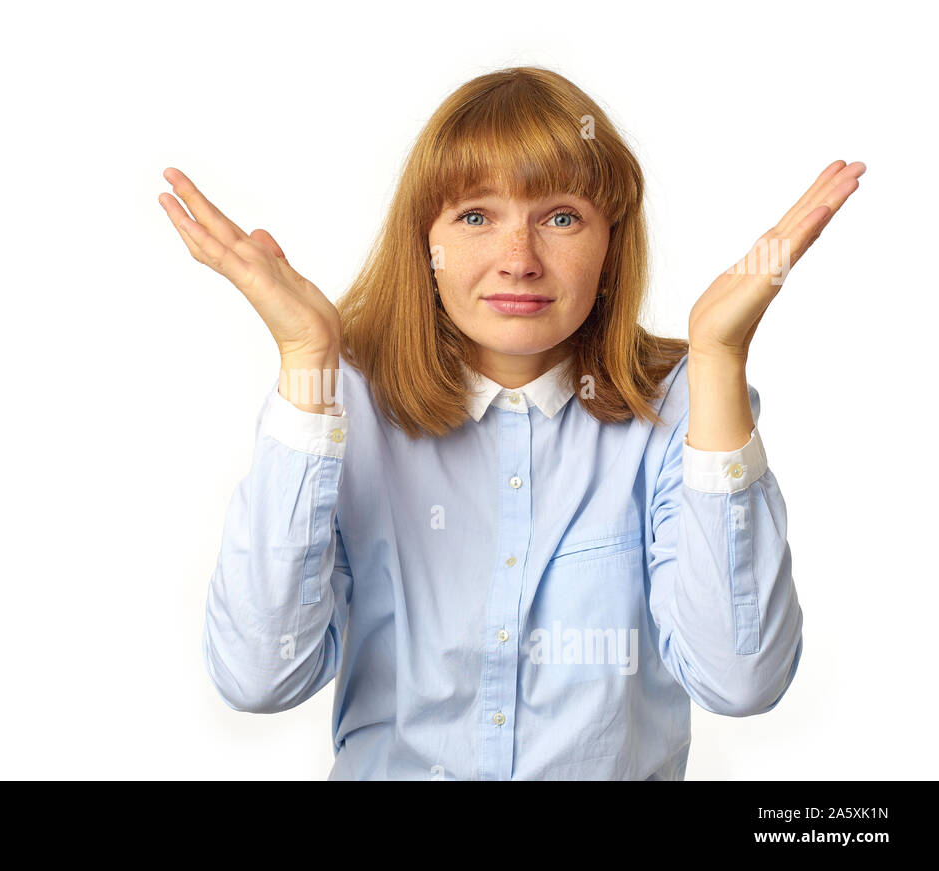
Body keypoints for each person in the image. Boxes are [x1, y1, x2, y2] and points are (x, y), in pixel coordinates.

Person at [159, 66, 864, 780]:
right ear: (424, 244)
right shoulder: (345, 402)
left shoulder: (679, 405)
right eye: (475, 216)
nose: (518, 260)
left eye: (561, 217)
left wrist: (719, 356)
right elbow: (258, 676)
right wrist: (309, 357)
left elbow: (742, 680)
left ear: (610, 244)